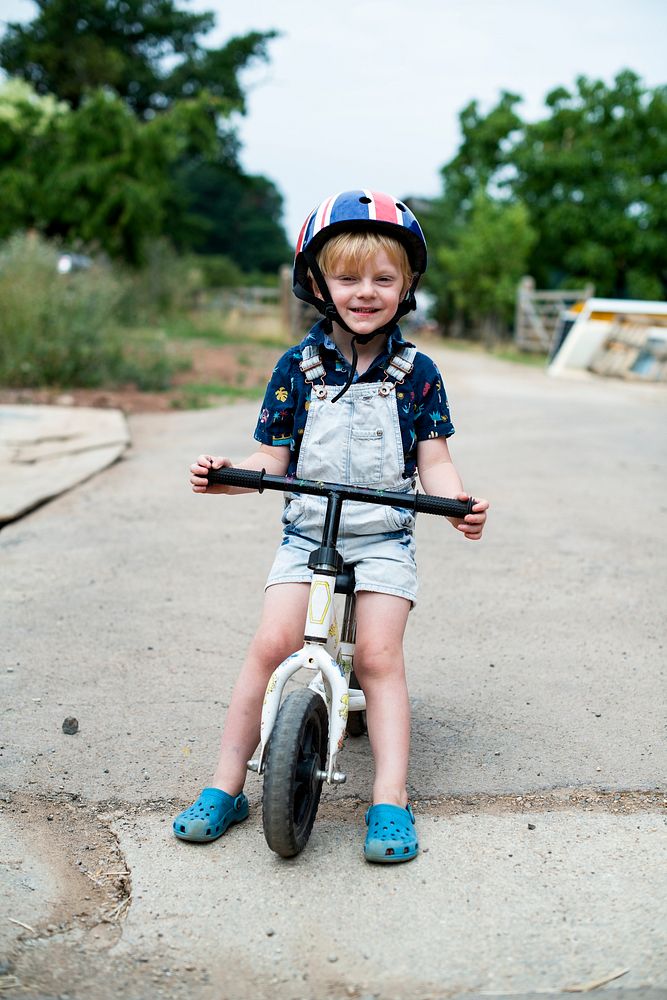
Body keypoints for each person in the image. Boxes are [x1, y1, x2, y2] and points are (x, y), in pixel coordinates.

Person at [173, 189, 489, 863]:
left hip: (382, 539)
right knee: (270, 643)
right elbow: (271, 459)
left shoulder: (416, 374)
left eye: (383, 278)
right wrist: (228, 471)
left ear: (406, 287)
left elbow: (432, 458)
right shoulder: (297, 369)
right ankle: (225, 784)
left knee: (377, 658)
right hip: (307, 535)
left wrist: (456, 501)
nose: (365, 291)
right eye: (348, 277)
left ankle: (389, 798)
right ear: (317, 283)